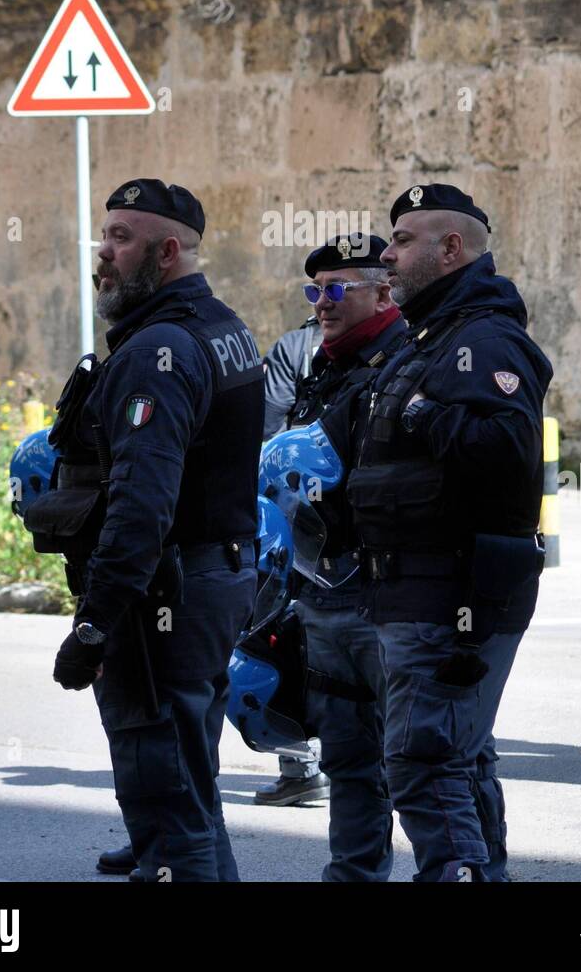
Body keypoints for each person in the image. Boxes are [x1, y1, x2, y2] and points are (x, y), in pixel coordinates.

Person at [328, 185, 552, 882]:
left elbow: (507, 457)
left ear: (450, 248)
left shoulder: (482, 339)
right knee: (455, 757)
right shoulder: (429, 339)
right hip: (409, 589)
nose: (387, 255)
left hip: (449, 594)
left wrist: (425, 417)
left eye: (402, 240)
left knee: (424, 763)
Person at [45, 179, 263, 879]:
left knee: (168, 798)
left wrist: (93, 625)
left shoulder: (158, 350)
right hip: (209, 576)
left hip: (165, 593)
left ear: (167, 251)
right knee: (186, 788)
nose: (101, 253)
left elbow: (141, 506)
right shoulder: (222, 327)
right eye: (104, 235)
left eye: (120, 239)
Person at [263, 235, 407, 878]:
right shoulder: (321, 363)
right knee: (348, 758)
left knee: (428, 762)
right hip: (323, 589)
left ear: (383, 289)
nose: (322, 302)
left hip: (388, 595)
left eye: (337, 288)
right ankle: (353, 875)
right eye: (314, 290)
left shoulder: (407, 359)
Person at [255, 313, 328, 806]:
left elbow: (266, 424)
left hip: (298, 511)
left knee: (288, 632)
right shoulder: (410, 341)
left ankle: (302, 766)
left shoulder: (298, 346)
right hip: (368, 518)